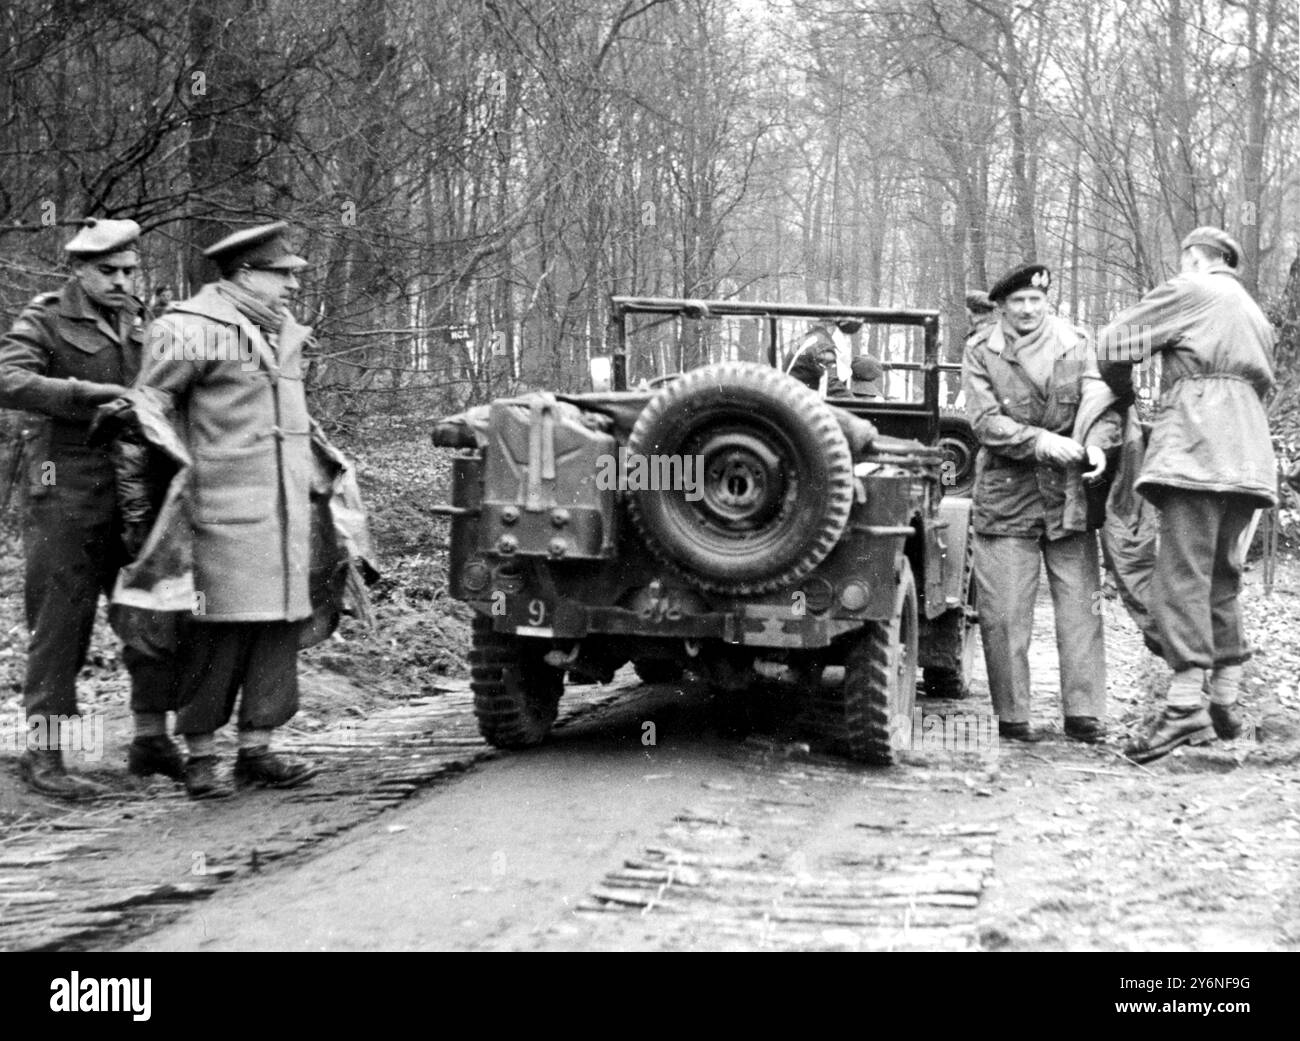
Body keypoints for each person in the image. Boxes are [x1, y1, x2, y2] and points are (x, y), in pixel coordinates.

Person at [134, 222, 322, 798]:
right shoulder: (188, 329)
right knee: (215, 637)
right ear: (245, 274)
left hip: (286, 512)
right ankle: (201, 759)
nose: (293, 284)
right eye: (282, 274)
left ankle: (256, 751)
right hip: (220, 511)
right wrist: (172, 479)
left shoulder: (283, 331)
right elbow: (149, 406)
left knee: (277, 632)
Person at [0, 218, 180, 798]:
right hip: (64, 490)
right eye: (107, 271)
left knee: (150, 610)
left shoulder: (142, 320)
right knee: (61, 625)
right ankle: (44, 757)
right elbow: (7, 378)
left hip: (135, 488)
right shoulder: (46, 318)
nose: (121, 281)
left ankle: (150, 741)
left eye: (129, 270)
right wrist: (83, 395)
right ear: (78, 269)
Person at [1093, 228, 1276, 764]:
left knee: (1181, 575)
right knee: (1222, 574)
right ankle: (1224, 700)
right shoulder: (1254, 313)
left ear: (1195, 258)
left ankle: (1182, 708)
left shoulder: (1192, 288)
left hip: (1196, 445)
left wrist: (1123, 391)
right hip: (1248, 452)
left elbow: (1114, 342)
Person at [962, 262, 1117, 743]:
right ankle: (1012, 716)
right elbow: (985, 421)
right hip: (1007, 496)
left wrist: (1099, 445)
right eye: (1018, 301)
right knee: (1004, 613)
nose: (1028, 309)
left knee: (1082, 608)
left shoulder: (1077, 344)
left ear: (1048, 302)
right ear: (1002, 307)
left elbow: (1102, 404)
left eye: (1036, 300)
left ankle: (1084, 714)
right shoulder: (980, 350)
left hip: (1069, 495)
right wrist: (1041, 442)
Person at [786, 316, 855, 395]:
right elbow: (832, 386)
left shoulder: (808, 338)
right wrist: (855, 402)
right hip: (796, 398)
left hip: (792, 394)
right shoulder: (822, 344)